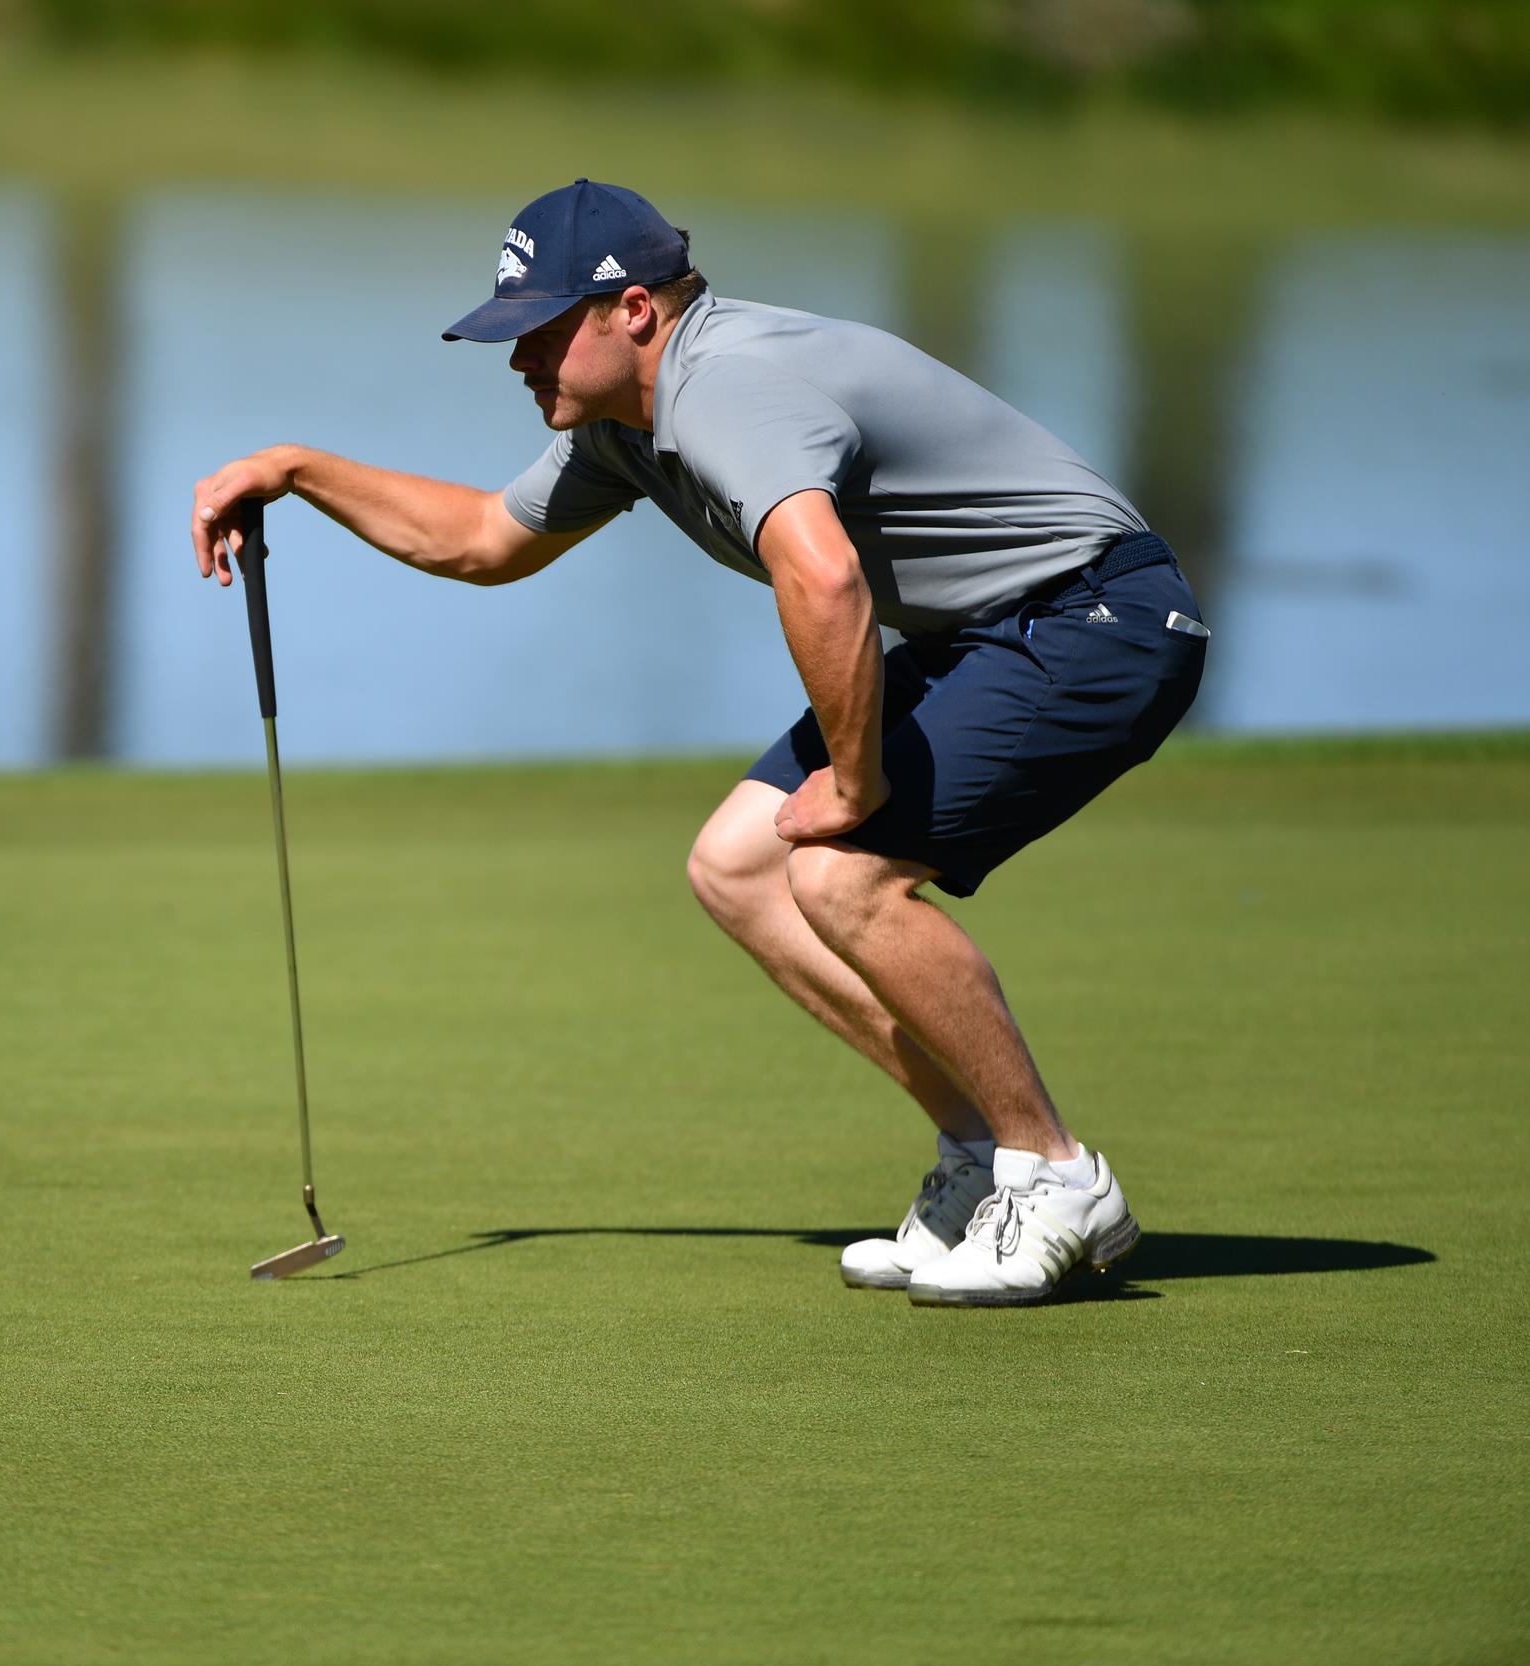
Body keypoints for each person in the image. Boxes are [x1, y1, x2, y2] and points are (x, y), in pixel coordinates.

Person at [188, 179, 1209, 1307]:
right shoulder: (630, 427)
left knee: (841, 873)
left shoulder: (723, 387)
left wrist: (855, 783)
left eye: (539, 331)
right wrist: (294, 467)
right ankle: (981, 1157)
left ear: (632, 313)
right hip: (994, 628)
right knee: (737, 864)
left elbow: (822, 577)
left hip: (1097, 621)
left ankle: (1057, 1176)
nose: (517, 358)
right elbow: (481, 540)